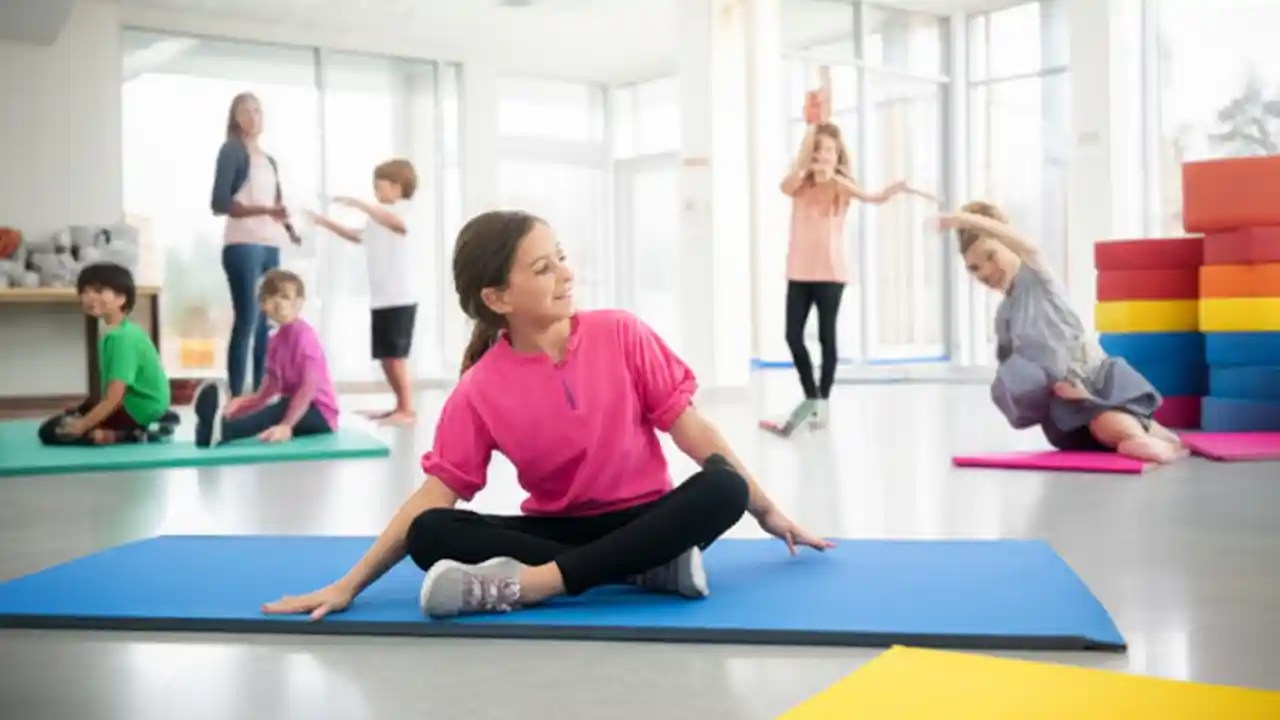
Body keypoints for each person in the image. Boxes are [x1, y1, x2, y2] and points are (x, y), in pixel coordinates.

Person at [262, 210, 832, 621]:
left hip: (649, 517)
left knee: (723, 488)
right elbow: (434, 498)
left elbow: (695, 432)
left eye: (559, 257)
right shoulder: (479, 389)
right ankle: (644, 571)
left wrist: (767, 510)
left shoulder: (622, 333)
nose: (565, 274)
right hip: (563, 530)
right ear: (498, 298)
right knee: (432, 533)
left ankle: (539, 585)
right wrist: (347, 585)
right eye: (543, 267)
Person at [935, 201, 1186, 463]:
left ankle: (1148, 440)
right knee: (1100, 429)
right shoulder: (1005, 315)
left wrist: (964, 219)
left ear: (1008, 244)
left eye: (990, 256)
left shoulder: (1038, 277)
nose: (985, 271)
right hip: (1065, 403)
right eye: (974, 268)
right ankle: (1158, 438)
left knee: (1107, 425)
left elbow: (1027, 245)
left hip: (1094, 383)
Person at [768, 120, 935, 436]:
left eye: (829, 150)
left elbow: (873, 197)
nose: (824, 155)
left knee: (826, 337)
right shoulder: (798, 183)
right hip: (798, 271)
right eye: (818, 150)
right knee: (792, 335)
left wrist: (895, 189)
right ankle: (811, 396)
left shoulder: (841, 185)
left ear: (838, 154)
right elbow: (784, 185)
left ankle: (823, 402)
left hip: (830, 273)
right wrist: (807, 157)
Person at [307, 159, 419, 426]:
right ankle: (398, 406)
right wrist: (323, 222)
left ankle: (407, 409)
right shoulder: (377, 217)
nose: (376, 194)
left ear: (397, 187)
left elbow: (397, 224)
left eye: (380, 188)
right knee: (384, 357)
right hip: (381, 298)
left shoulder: (405, 211)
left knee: (396, 357)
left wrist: (360, 204)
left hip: (400, 297)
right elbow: (357, 236)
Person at [210, 91, 301, 397]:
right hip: (242, 245)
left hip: (269, 245)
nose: (253, 116)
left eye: (257, 111)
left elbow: (276, 202)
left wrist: (289, 228)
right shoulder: (232, 152)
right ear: (235, 118)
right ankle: (236, 396)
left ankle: (262, 394)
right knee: (248, 317)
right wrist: (266, 211)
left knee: (268, 319)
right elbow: (220, 203)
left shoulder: (269, 160)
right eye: (246, 111)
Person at [192, 269, 338, 448]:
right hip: (294, 407)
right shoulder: (275, 341)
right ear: (263, 304)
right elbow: (266, 393)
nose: (279, 303)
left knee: (277, 411)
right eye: (272, 297)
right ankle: (215, 427)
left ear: (299, 303)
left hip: (319, 412)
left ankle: (219, 432)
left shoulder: (305, 336)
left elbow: (308, 388)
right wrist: (237, 408)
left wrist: (286, 426)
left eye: (285, 297)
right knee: (273, 410)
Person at [39, 263, 173, 446]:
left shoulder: (123, 339)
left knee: (51, 432)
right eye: (85, 291)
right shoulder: (117, 333)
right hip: (135, 402)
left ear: (121, 298)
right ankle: (132, 428)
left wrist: (83, 425)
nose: (90, 297)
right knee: (69, 418)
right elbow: (110, 391)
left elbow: (114, 397)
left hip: (139, 407)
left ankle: (131, 434)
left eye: (99, 291)